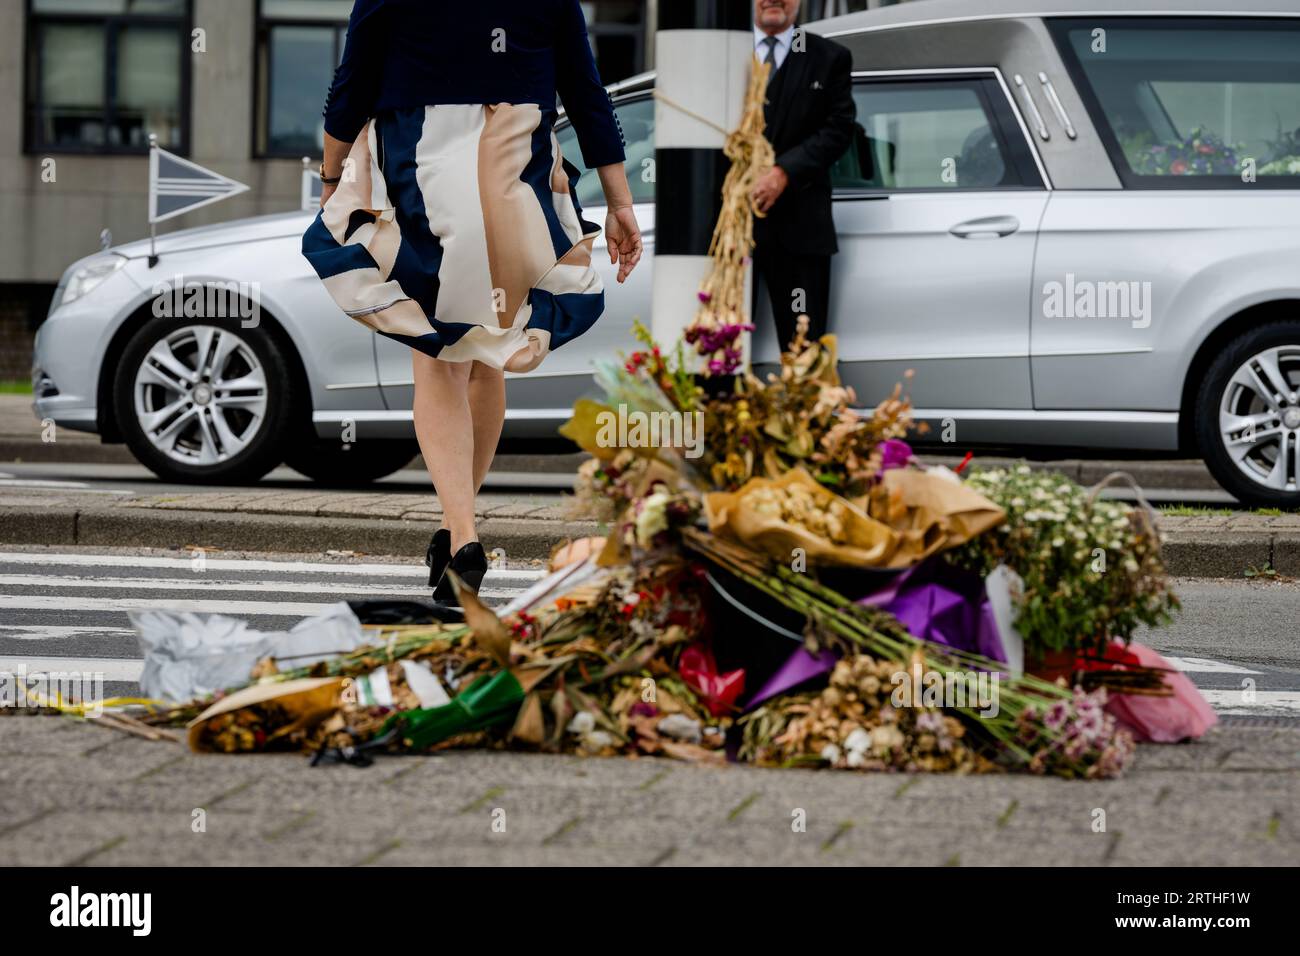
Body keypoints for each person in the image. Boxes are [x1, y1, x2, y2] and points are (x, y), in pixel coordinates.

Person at [303, 0, 642, 605]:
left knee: (437, 355)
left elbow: (352, 81)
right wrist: (619, 203)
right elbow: (588, 93)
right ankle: (453, 525)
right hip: (518, 167)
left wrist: (333, 178)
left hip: (426, 164)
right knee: (488, 353)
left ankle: (463, 535)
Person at [750, 0, 856, 351]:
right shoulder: (722, 54)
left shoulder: (828, 58)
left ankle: (802, 407)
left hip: (799, 230)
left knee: (803, 348)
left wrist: (784, 173)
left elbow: (839, 129)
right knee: (722, 351)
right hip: (729, 236)